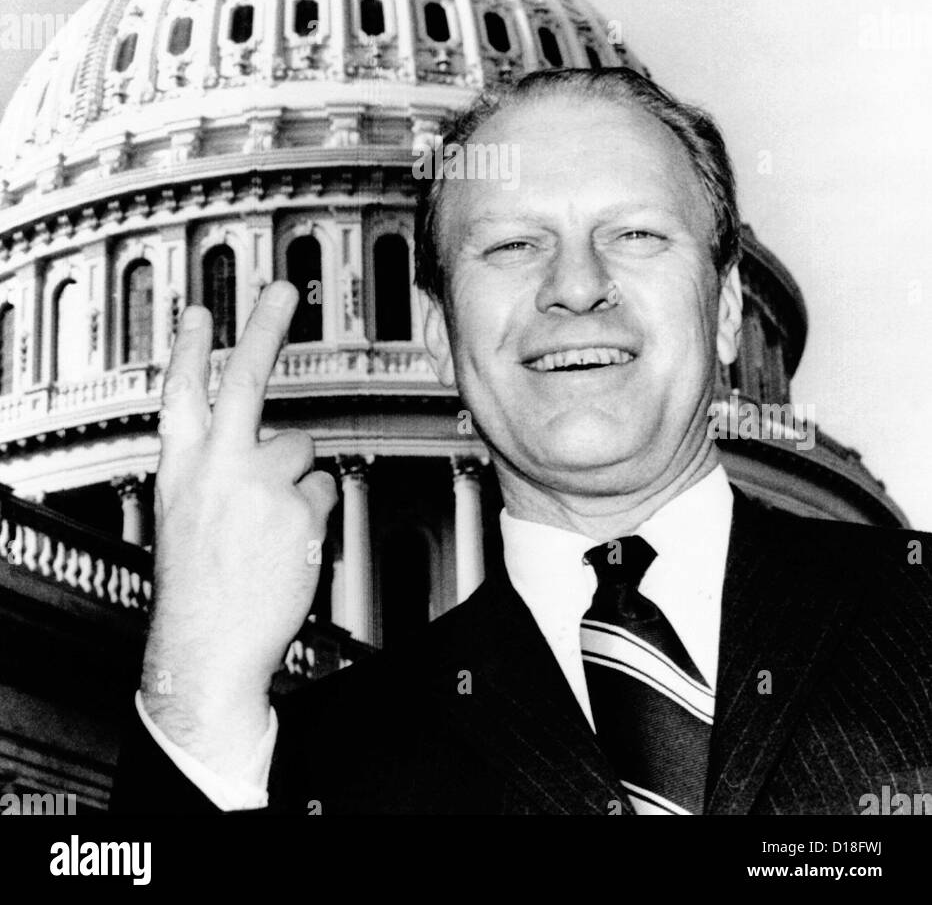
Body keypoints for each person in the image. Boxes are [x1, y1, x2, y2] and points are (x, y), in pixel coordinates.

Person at [111, 69, 932, 816]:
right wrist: (196, 699)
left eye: (636, 235)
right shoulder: (298, 769)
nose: (576, 287)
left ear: (726, 314)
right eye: (512, 246)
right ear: (435, 333)